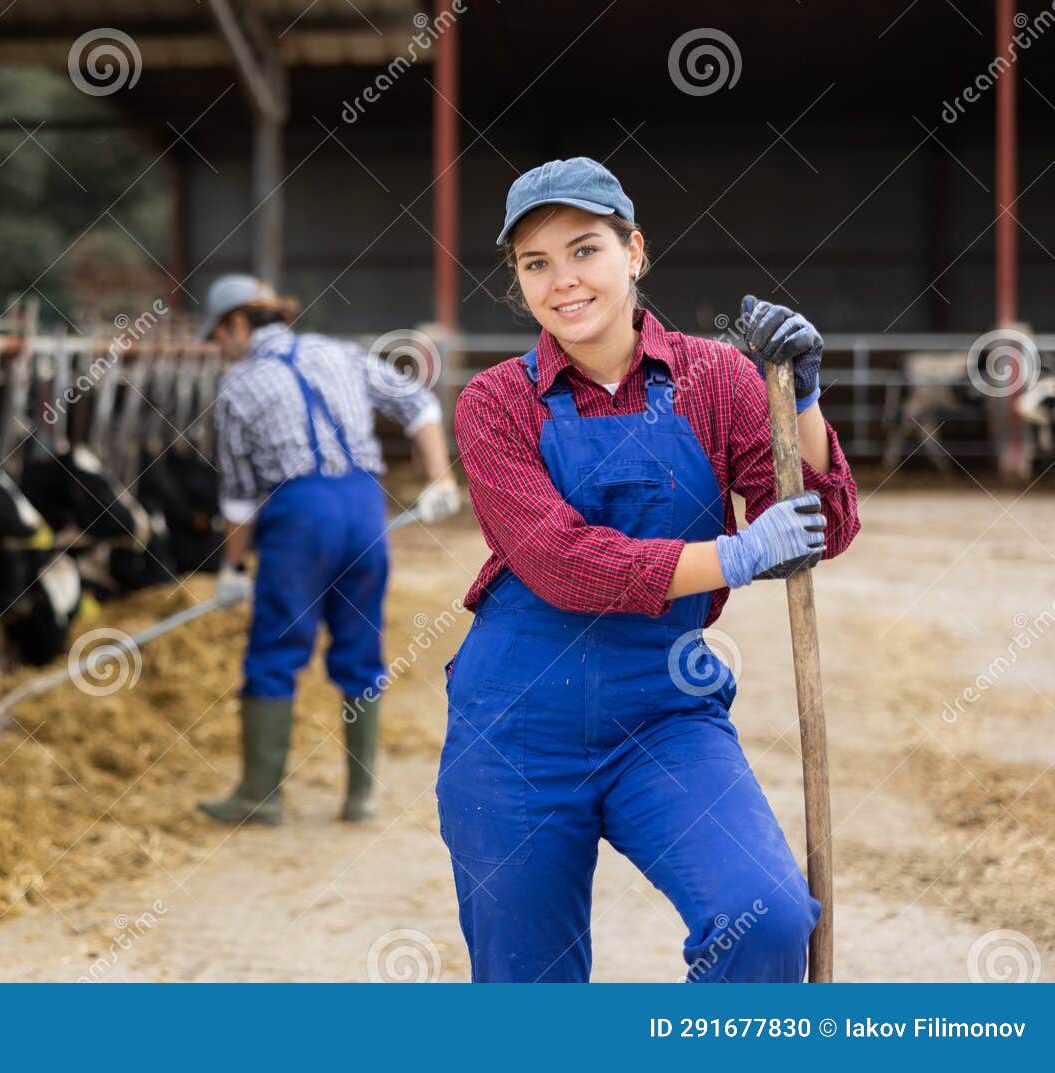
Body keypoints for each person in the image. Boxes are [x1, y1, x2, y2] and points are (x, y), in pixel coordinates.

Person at [440, 157, 861, 982]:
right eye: (536, 263)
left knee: (768, 919)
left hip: (666, 709)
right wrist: (736, 555)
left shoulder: (719, 378)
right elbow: (560, 562)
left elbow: (826, 527)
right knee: (532, 996)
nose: (563, 280)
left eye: (584, 249)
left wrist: (802, 404)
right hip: (516, 725)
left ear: (635, 251)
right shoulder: (494, 403)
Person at [198, 274, 459, 825]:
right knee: (360, 646)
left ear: (240, 323)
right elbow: (418, 403)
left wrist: (233, 566)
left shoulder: (237, 386)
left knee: (276, 647)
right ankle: (359, 798)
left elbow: (240, 500)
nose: (218, 349)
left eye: (218, 336)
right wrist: (439, 479)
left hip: (299, 514)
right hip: (366, 506)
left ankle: (260, 797)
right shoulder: (336, 352)